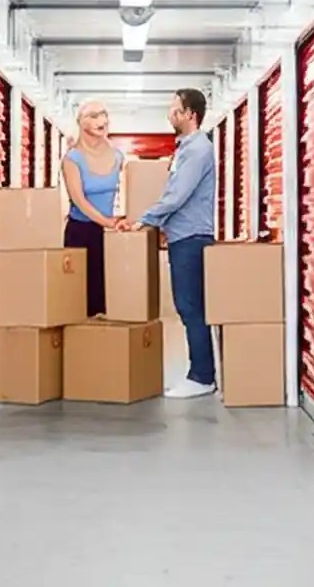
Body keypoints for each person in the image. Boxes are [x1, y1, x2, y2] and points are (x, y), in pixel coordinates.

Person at [121, 88, 217, 399]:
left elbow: (177, 196)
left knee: (190, 307)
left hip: (191, 238)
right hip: (182, 236)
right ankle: (202, 373)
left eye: (174, 109)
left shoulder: (197, 149)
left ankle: (201, 376)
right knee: (190, 306)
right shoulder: (186, 148)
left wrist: (145, 220)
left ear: (191, 114)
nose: (169, 114)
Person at [61, 100, 124, 317]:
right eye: (94, 115)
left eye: (104, 114)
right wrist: (107, 222)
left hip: (108, 234)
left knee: (108, 300)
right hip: (81, 232)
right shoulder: (72, 158)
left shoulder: (118, 157)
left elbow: (125, 191)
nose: (101, 119)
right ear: (81, 122)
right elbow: (78, 200)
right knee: (80, 301)